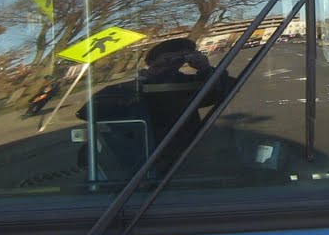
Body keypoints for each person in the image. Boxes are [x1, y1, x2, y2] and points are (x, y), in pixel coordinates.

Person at [79, 37, 236, 176]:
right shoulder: (128, 89)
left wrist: (206, 70)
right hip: (138, 164)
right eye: (166, 58)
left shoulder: (188, 85)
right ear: (151, 62)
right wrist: (140, 87)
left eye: (180, 58)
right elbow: (88, 112)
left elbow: (228, 90)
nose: (171, 64)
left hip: (186, 158)